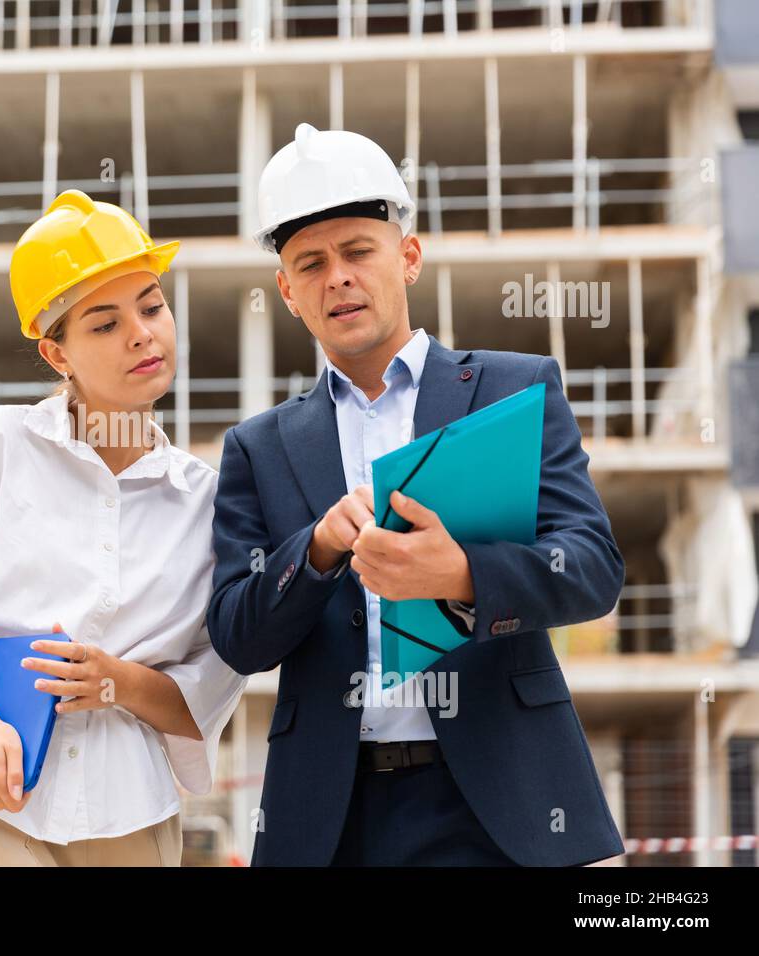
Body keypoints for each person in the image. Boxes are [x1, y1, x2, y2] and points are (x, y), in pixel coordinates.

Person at [206, 124, 627, 866]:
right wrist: (315, 551)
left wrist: (462, 576)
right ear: (288, 293)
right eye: (311, 264)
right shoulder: (259, 447)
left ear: (407, 257)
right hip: (330, 817)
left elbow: (591, 567)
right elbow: (238, 635)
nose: (337, 277)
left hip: (497, 802)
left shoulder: (514, 390)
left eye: (357, 252)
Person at [0, 189, 246, 866]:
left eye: (151, 306)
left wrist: (114, 680)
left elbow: (210, 685)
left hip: (128, 818)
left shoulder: (204, 499)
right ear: (56, 353)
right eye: (103, 324)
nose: (141, 333)